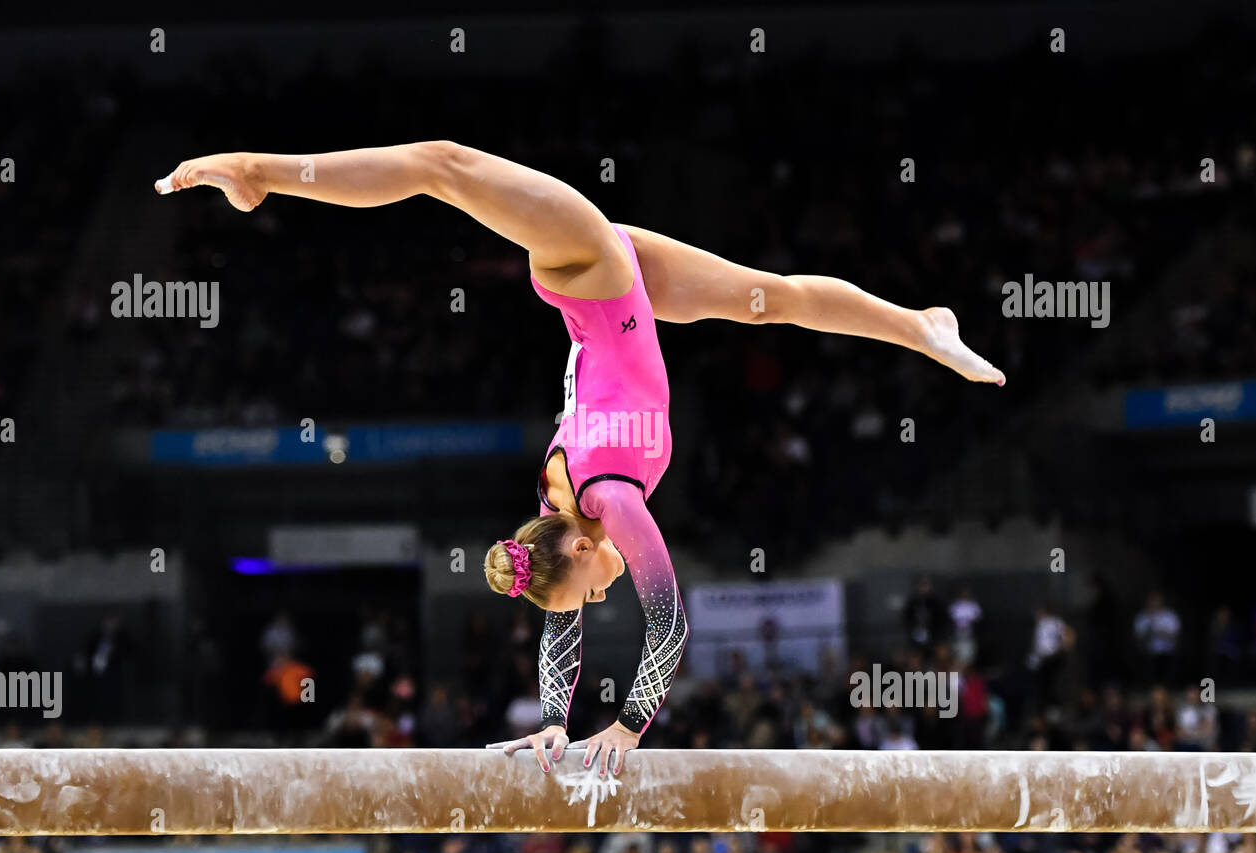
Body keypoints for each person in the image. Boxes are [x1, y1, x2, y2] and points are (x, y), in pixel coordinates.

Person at [160, 142, 1003, 775]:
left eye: (594, 586)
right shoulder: (569, 514)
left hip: (586, 266)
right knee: (770, 299)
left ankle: (257, 171)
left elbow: (669, 622)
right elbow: (567, 602)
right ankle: (922, 323)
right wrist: (558, 719)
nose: (600, 599)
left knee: (443, 166)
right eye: (595, 595)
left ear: (585, 546)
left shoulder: (609, 503)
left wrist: (627, 727)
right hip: (613, 285)